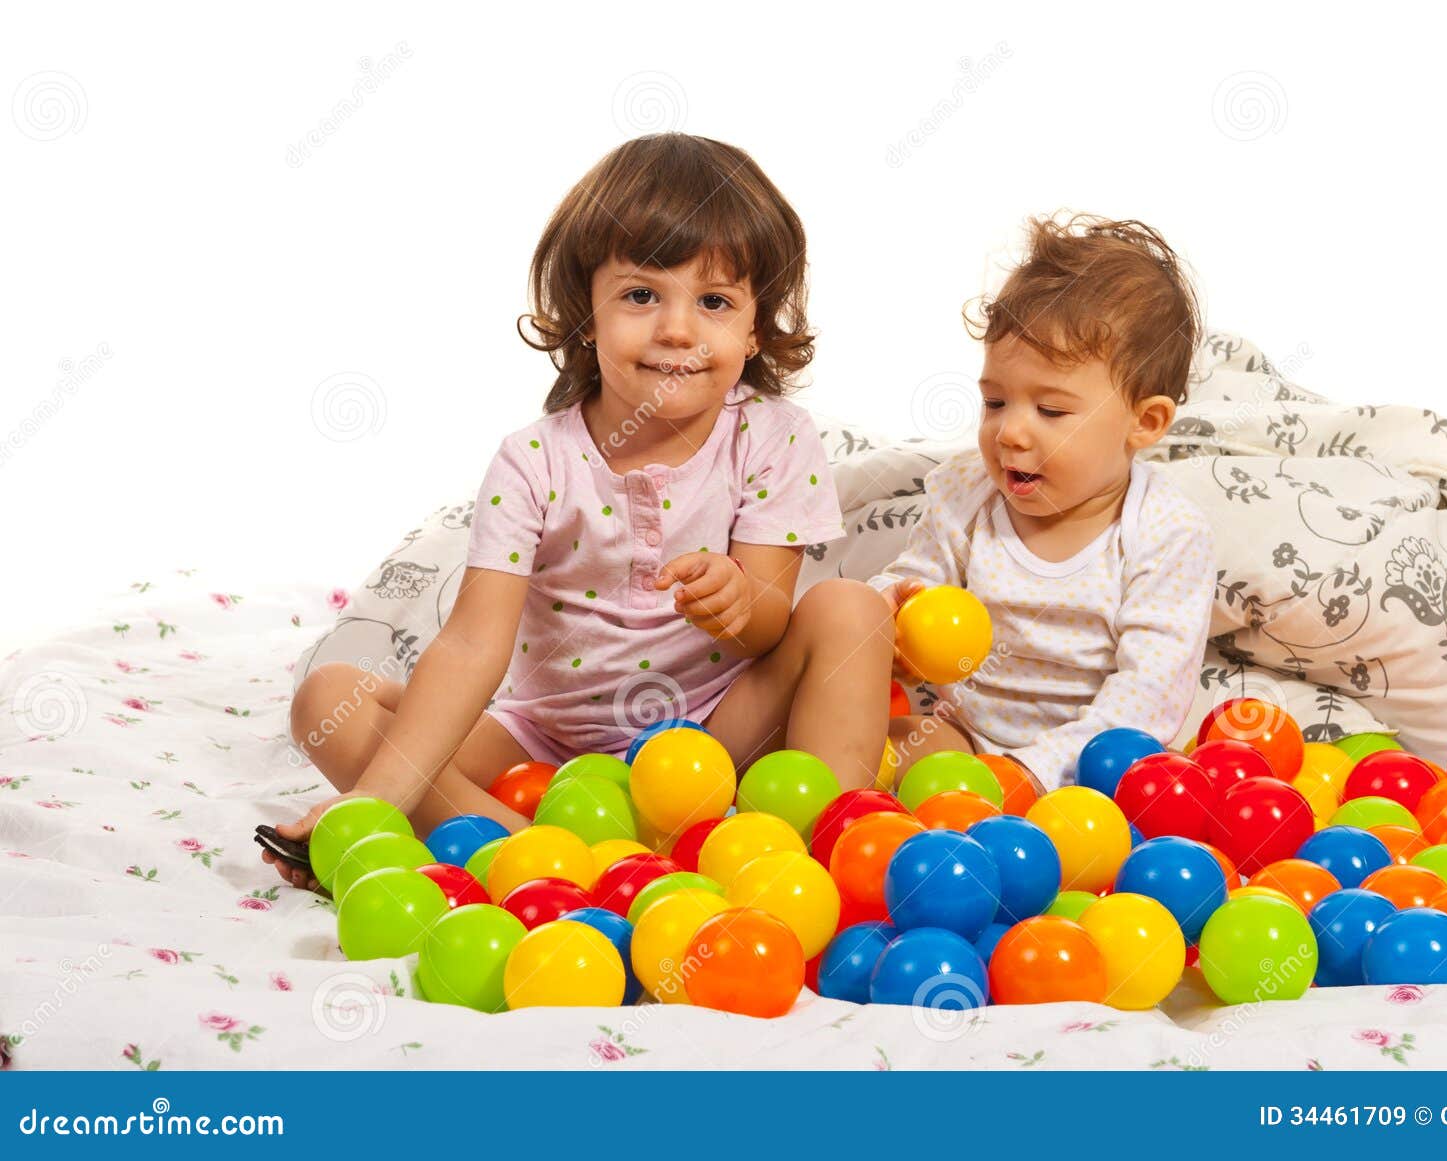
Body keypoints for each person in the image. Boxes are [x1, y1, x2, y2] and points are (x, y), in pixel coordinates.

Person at [266, 134, 893, 889]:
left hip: (716, 734)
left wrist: (737, 597)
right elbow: (470, 647)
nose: (677, 330)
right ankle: (537, 854)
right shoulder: (533, 463)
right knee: (328, 698)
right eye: (640, 295)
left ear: (756, 326)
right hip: (544, 742)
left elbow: (767, 619)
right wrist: (365, 806)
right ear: (586, 312)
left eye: (716, 301)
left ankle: (823, 856)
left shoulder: (774, 436)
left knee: (853, 609)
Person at [874, 214, 1215, 792]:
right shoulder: (967, 494)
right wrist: (895, 610)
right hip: (966, 734)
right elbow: (915, 577)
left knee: (1150, 785)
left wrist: (1037, 773)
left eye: (1051, 411)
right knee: (870, 756)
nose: (1010, 433)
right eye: (995, 402)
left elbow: (1149, 693)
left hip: (1094, 764)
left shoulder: (1165, 530)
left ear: (1145, 421)